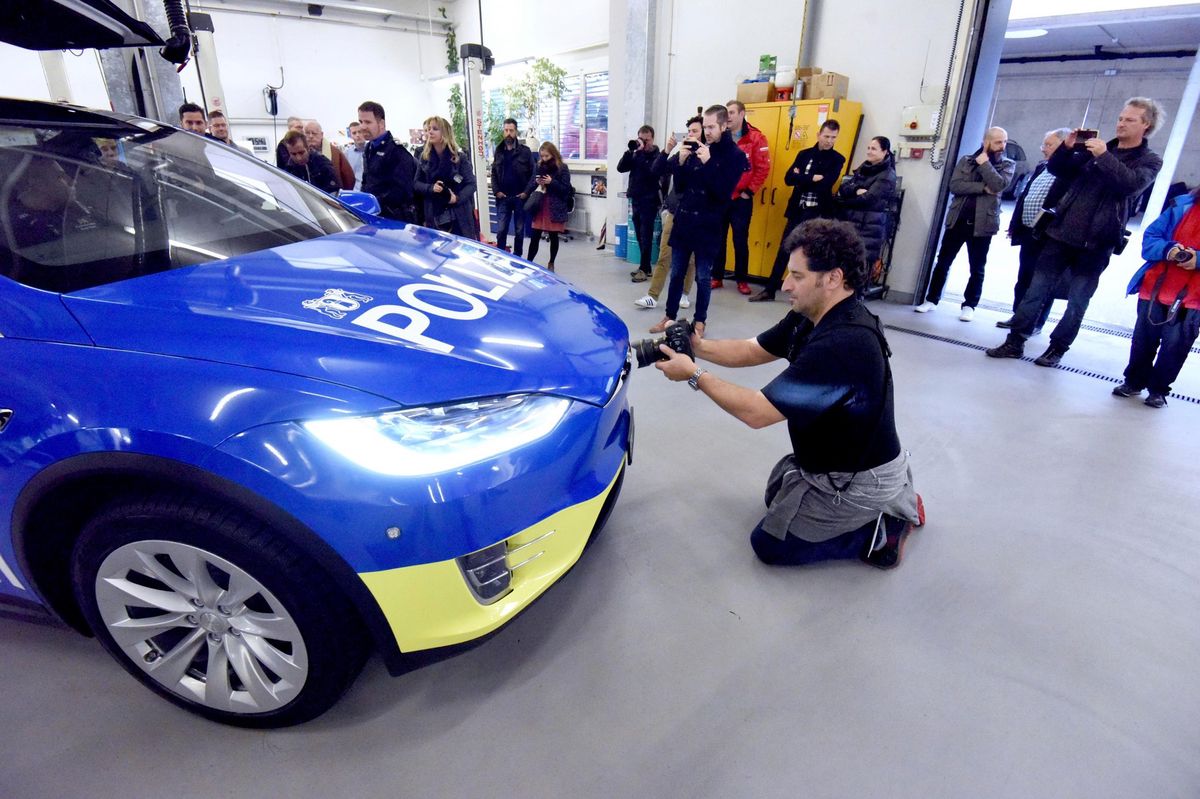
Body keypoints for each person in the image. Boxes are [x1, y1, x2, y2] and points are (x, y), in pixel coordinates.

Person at [654, 218, 924, 568]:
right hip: (833, 463)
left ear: (833, 278)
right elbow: (752, 350)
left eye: (797, 276)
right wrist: (698, 346)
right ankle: (885, 502)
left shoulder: (844, 343)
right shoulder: (811, 315)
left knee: (770, 545)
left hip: (858, 481)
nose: (786, 285)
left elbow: (757, 412)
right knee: (775, 494)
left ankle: (881, 527)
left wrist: (693, 374)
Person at [987, 98, 1164, 367]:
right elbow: (1060, 170)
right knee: (1035, 290)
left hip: (1098, 242)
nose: (1121, 123)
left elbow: (1130, 185)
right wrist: (1066, 150)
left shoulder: (1148, 160)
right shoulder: (1096, 150)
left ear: (1146, 125)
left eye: (1130, 119)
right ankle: (1015, 341)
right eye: (1120, 117)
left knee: (1077, 301)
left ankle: (1057, 348)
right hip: (1061, 233)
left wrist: (1104, 157)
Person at [650, 105, 746, 337]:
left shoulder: (736, 156)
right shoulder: (698, 149)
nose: (708, 131)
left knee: (703, 277)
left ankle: (700, 321)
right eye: (706, 127)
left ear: (725, 126)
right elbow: (680, 187)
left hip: (709, 225)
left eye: (712, 127)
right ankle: (669, 316)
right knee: (676, 273)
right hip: (684, 222)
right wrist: (681, 163)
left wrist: (709, 163)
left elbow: (723, 193)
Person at [1111, 187, 1200, 408]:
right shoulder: (1181, 205)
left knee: (1176, 346)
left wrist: (1197, 259)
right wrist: (1168, 250)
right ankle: (1133, 381)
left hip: (1193, 298)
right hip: (1155, 287)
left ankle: (1159, 390)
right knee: (1142, 340)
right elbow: (1151, 238)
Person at [915, 127, 1015, 321]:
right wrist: (982, 188)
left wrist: (985, 165)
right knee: (943, 262)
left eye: (1004, 141)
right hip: (958, 220)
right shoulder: (967, 161)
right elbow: (955, 185)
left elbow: (999, 185)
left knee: (977, 267)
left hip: (983, 224)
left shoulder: (1007, 165)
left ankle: (969, 305)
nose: (1002, 146)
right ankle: (931, 300)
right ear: (986, 142)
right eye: (997, 142)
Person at [750, 119, 845, 303]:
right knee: (785, 250)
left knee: (812, 255)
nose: (829, 141)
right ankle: (770, 290)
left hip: (817, 214)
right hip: (798, 211)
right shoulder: (804, 154)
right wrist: (811, 178)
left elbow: (826, 183)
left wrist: (801, 177)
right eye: (826, 136)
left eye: (833, 138)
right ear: (818, 135)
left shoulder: (837, 159)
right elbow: (788, 178)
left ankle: (807, 295)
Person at [997, 127, 1073, 334]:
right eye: (1044, 144)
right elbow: (1025, 197)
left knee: (1042, 282)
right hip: (1030, 232)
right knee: (1024, 278)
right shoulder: (1042, 167)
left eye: (1048, 145)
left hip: (1049, 236)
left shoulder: (1069, 171)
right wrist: (1015, 225)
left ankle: (1036, 322)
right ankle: (1018, 316)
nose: (1043, 149)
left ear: (1064, 145)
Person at [634, 117, 702, 311]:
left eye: (695, 131)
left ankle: (684, 293)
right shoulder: (682, 154)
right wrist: (667, 150)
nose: (691, 135)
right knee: (665, 254)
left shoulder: (707, 157)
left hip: (696, 214)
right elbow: (656, 170)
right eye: (689, 131)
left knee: (690, 259)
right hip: (675, 211)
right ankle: (652, 296)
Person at [713, 100, 769, 294]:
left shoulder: (755, 138)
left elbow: (762, 168)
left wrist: (749, 191)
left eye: (732, 112)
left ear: (742, 114)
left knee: (740, 240)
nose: (728, 116)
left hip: (741, 200)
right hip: (721, 198)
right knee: (718, 239)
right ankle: (717, 276)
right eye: (726, 112)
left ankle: (741, 280)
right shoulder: (721, 138)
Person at [835, 136, 897, 277]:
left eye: (873, 149)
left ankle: (857, 297)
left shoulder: (888, 175)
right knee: (843, 267)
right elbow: (844, 188)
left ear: (885, 152)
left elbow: (869, 199)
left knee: (859, 270)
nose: (869, 151)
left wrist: (845, 200)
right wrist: (857, 190)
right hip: (851, 223)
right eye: (868, 148)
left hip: (869, 227)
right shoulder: (864, 168)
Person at [413, 115, 477, 237]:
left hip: (459, 216)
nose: (430, 131)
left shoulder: (459, 158)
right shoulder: (424, 157)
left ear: (445, 133)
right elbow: (416, 183)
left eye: (435, 129)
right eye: (429, 129)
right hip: (433, 215)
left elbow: (471, 184)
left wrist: (457, 198)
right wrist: (431, 188)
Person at [357, 101, 417, 223]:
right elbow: (366, 181)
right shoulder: (369, 148)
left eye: (368, 122)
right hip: (373, 216)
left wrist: (374, 202)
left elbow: (402, 191)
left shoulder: (396, 151)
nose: (363, 126)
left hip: (394, 219)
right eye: (361, 122)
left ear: (381, 123)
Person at [617, 124, 662, 282]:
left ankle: (644, 269)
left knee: (646, 234)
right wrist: (630, 152)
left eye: (646, 140)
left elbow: (650, 173)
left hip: (649, 200)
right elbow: (620, 168)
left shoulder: (657, 155)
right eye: (640, 139)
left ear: (652, 139)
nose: (643, 143)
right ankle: (646, 267)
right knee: (639, 234)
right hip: (635, 199)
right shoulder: (636, 154)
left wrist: (641, 154)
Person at [522, 142, 572, 270]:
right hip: (540, 204)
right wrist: (529, 188)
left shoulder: (562, 168)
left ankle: (551, 262)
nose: (544, 159)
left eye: (547, 156)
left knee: (553, 236)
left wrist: (552, 182)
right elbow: (533, 181)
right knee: (535, 236)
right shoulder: (539, 166)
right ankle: (529, 262)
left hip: (555, 206)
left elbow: (566, 190)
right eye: (542, 156)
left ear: (553, 154)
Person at [490, 118, 534, 257]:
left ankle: (517, 258)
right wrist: (496, 191)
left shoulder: (525, 152)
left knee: (520, 231)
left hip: (520, 198)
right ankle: (501, 256)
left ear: (516, 132)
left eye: (511, 130)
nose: (508, 133)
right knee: (501, 230)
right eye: (506, 130)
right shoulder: (498, 151)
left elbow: (534, 174)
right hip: (503, 198)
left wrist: (527, 192)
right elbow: (494, 173)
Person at [304, 120, 355, 191]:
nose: (310, 136)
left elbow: (349, 178)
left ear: (321, 134)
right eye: (307, 133)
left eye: (314, 133)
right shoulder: (300, 153)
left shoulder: (335, 153)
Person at [343, 121, 368, 191]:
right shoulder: (346, 154)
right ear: (350, 135)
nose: (357, 135)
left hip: (372, 193)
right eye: (354, 133)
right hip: (355, 193)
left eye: (360, 132)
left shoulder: (373, 150)